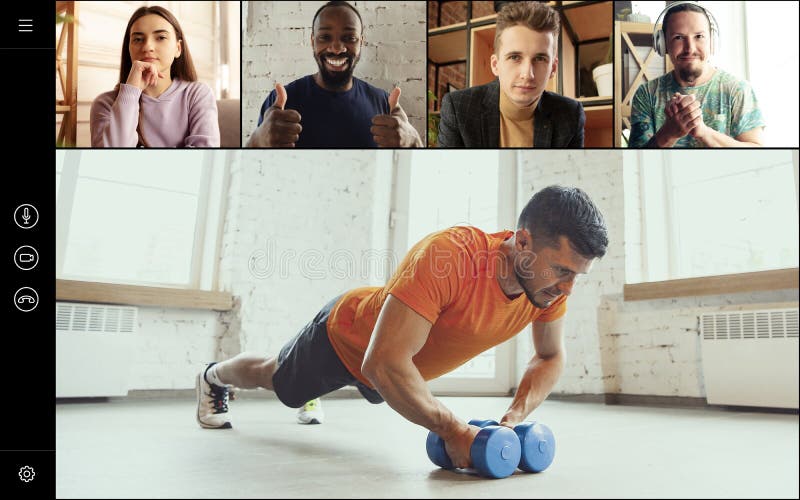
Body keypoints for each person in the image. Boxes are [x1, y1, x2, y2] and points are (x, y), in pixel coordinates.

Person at [196, 185, 608, 469]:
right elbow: (383, 361)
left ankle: (309, 390)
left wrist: (513, 418)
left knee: (380, 382)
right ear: (522, 243)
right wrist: (453, 429)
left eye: (577, 276)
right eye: (561, 270)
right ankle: (213, 376)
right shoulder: (452, 255)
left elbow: (551, 355)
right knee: (276, 378)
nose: (568, 287)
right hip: (346, 338)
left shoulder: (548, 288)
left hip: (390, 371)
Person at [246, 1, 422, 148]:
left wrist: (413, 140)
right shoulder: (280, 104)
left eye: (349, 38)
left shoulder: (384, 103)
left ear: (361, 42)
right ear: (312, 41)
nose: (337, 48)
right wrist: (256, 141)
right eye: (325, 37)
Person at [437, 1, 584, 148]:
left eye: (539, 59)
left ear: (553, 68)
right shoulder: (458, 108)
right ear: (495, 65)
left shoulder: (571, 115)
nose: (527, 74)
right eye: (515, 57)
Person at [629, 1, 764, 148]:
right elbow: (636, 162)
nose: (690, 48)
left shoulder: (738, 90)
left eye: (699, 36)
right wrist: (669, 133)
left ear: (712, 41)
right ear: (662, 44)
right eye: (678, 37)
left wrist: (705, 132)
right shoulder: (646, 94)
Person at [90, 6, 220, 148]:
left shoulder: (197, 94)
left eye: (161, 37)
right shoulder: (105, 103)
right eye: (138, 39)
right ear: (129, 49)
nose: (147, 47)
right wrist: (131, 93)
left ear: (178, 48)